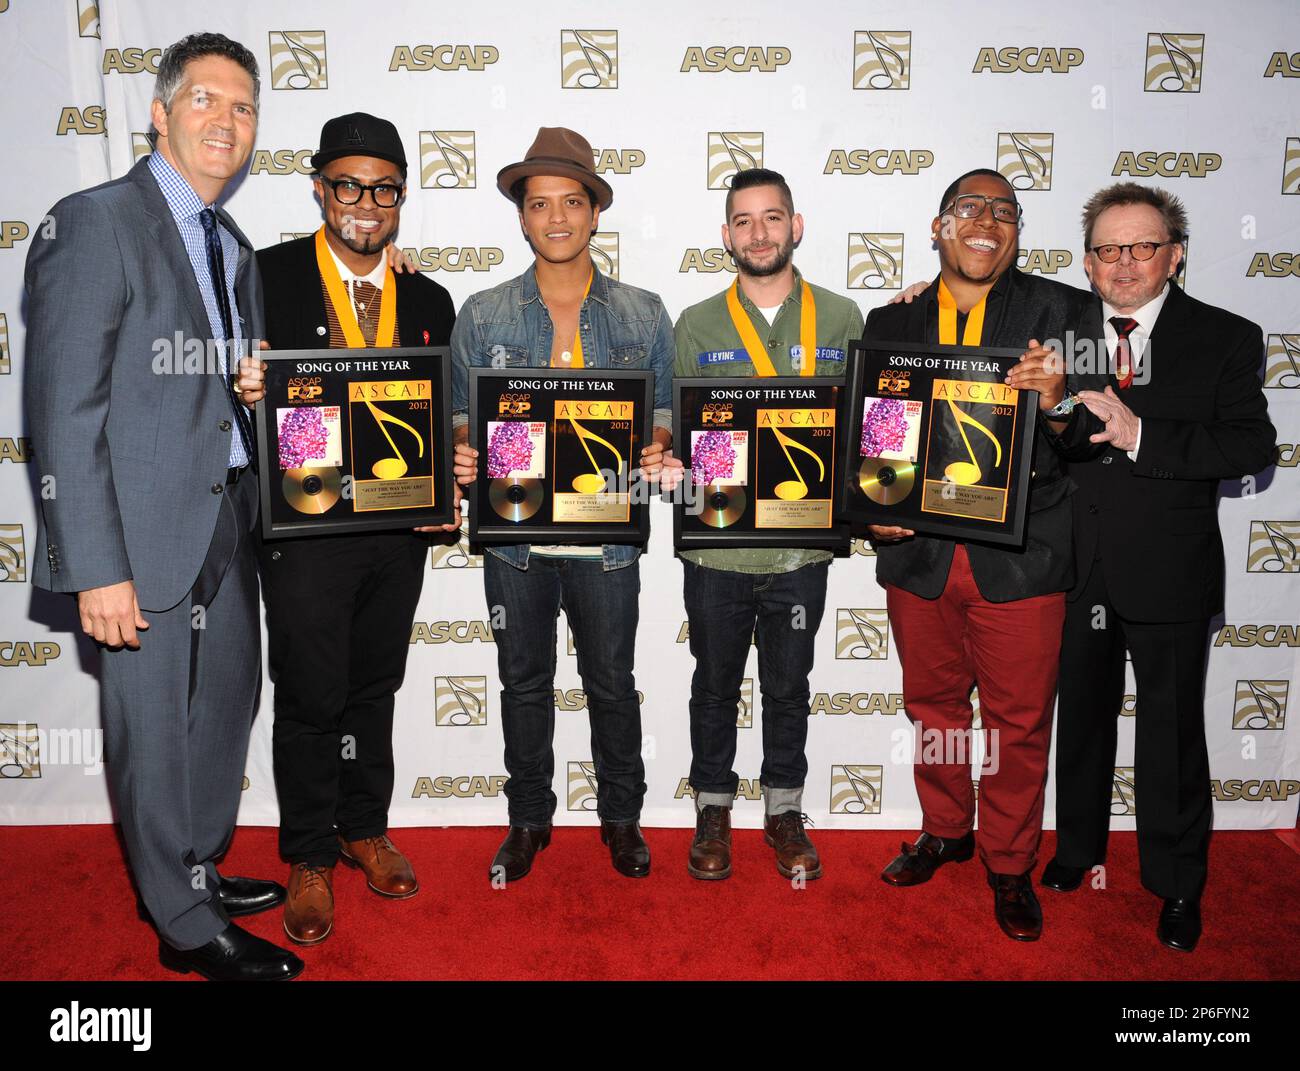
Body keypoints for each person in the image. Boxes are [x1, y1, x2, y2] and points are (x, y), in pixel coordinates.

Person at [23, 33, 302, 980]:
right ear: (161, 110)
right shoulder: (95, 222)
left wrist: (249, 386)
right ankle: (183, 927)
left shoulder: (232, 245)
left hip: (225, 520)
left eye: (244, 108)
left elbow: (194, 384)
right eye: (207, 101)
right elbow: (64, 409)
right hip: (136, 540)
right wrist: (94, 564)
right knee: (150, 727)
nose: (227, 122)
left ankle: (197, 863)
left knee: (224, 706)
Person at [234, 113, 458, 945]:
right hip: (303, 536)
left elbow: (443, 424)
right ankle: (309, 855)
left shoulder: (430, 297)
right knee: (310, 695)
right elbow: (216, 388)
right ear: (320, 187)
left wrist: (456, 470)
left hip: (396, 536)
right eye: (349, 185)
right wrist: (242, 387)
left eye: (384, 188)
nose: (366, 203)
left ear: (401, 197)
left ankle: (365, 826)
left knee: (374, 687)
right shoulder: (265, 275)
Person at [863, 168, 1099, 941]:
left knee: (1018, 722)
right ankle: (945, 828)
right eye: (969, 207)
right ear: (940, 227)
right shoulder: (890, 320)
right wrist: (874, 511)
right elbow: (877, 437)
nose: (985, 221)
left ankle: (1008, 862)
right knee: (933, 709)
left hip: (1023, 555)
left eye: (1003, 210)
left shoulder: (1066, 311)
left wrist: (1062, 396)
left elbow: (1091, 438)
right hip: (921, 555)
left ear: (1017, 231)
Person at [1042, 182, 1276, 952]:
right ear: (1087, 262)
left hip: (1170, 569)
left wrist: (1143, 436)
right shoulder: (1065, 332)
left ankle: (1177, 883)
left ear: (1174, 255)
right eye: (1109, 249)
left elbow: (1249, 448)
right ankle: (1077, 851)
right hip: (1077, 563)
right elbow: (989, 294)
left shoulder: (1225, 336)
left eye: (1142, 246)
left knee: (1172, 734)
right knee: (1079, 718)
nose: (1125, 263)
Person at [449, 128, 674, 882]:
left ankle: (621, 818)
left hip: (608, 542)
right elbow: (458, 410)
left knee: (611, 681)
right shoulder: (482, 313)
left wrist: (657, 446)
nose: (555, 217)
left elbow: (667, 407)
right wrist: (464, 450)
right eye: (538, 203)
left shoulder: (645, 312)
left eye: (570, 202)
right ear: (521, 216)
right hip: (515, 542)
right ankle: (528, 819)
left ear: (595, 212)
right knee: (523, 682)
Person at [670, 168, 863, 880]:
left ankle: (784, 810)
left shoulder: (843, 318)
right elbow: (682, 438)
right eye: (744, 221)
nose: (759, 232)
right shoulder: (696, 322)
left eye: (772, 217)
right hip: (717, 554)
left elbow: (869, 432)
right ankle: (713, 808)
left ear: (796, 225)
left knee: (789, 687)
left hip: (801, 553)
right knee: (714, 685)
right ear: (726, 236)